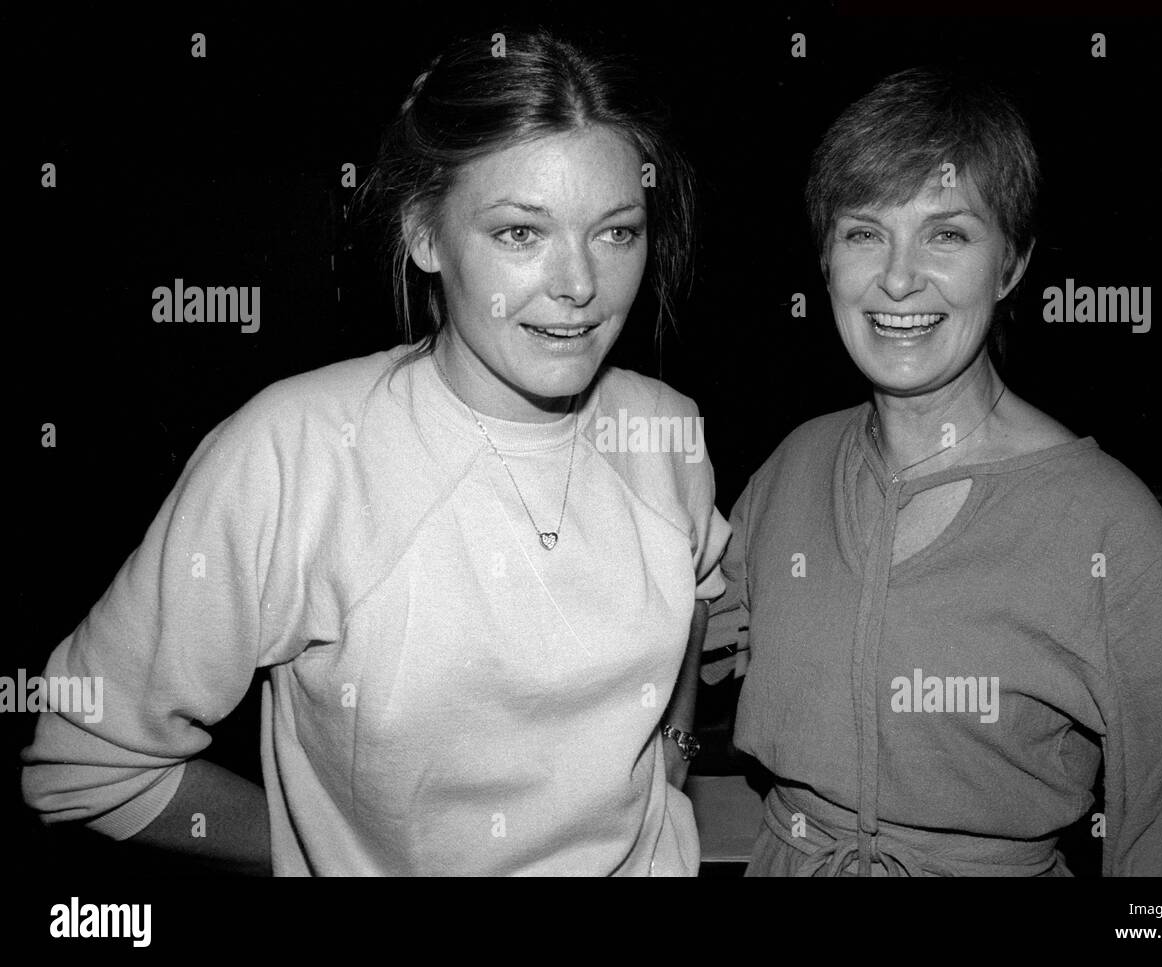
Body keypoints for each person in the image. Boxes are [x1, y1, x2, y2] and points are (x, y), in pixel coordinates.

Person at [21, 29, 730, 876]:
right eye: (519, 233)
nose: (580, 284)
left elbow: (696, 595)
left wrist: (676, 755)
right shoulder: (294, 452)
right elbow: (84, 761)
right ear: (425, 235)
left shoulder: (665, 428)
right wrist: (313, 856)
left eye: (617, 232)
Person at [704, 67, 1162, 876]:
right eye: (864, 232)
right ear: (827, 262)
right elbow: (672, 644)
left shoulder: (1106, 524)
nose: (899, 278)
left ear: (1011, 265)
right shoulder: (795, 464)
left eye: (947, 234)